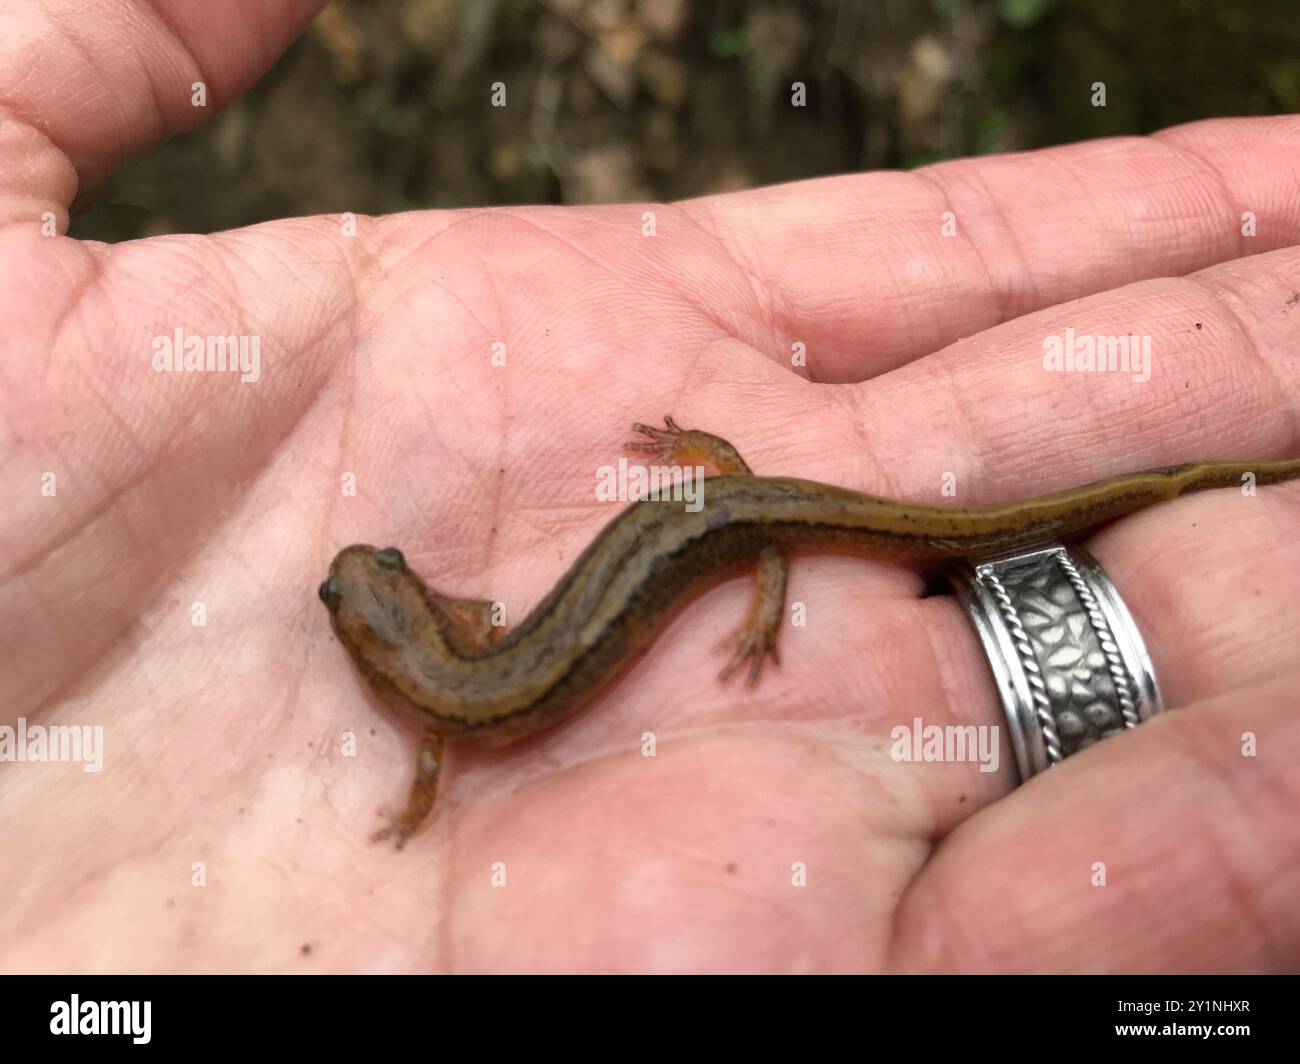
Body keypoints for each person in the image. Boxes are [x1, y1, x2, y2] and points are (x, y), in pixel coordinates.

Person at [1, 1, 1296, 973]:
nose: (373, 573)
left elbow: (439, 742)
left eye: (376, 583)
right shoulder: (444, 703)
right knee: (745, 530)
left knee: (757, 529)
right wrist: (732, 553)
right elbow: (464, 677)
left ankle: (1213, 463)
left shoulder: (440, 718)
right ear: (386, 643)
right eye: (372, 591)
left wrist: (757, 591)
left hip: (729, 524)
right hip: (717, 520)